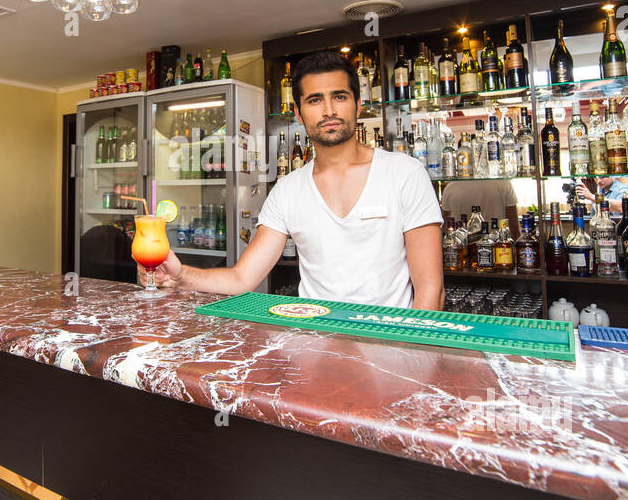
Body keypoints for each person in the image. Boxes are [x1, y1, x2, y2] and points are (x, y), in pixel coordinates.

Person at [139, 51, 444, 309]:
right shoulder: (287, 190)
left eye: (339, 96)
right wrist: (181, 276)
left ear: (358, 105)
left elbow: (431, 291)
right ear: (298, 113)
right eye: (314, 100)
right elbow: (242, 278)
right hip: (314, 347)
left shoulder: (404, 174)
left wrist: (408, 356)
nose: (328, 110)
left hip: (389, 347)